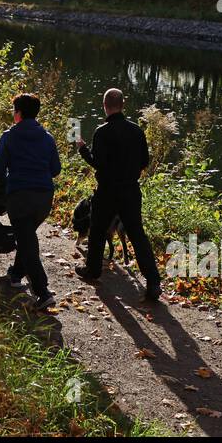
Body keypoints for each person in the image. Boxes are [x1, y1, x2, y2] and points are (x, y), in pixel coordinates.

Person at [74, 87, 163, 302]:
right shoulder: (137, 131)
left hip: (107, 191)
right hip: (130, 190)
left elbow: (97, 163)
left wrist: (83, 149)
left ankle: (93, 270)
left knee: (97, 230)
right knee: (137, 235)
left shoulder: (102, 132)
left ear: (105, 106)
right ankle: (153, 282)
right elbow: (144, 162)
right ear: (123, 105)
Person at [0, 92, 61, 310]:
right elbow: (56, 170)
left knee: (27, 241)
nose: (13, 114)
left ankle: (42, 292)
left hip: (20, 197)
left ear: (19, 113)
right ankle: (15, 275)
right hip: (44, 199)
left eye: (14, 110)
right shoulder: (48, 137)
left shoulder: (9, 136)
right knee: (27, 236)